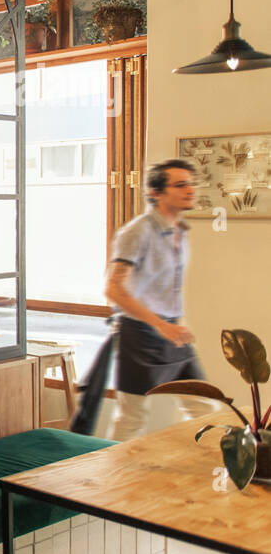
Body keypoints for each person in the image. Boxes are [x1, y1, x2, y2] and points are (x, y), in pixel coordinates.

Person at [103, 159, 213, 440]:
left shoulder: (180, 232)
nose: (190, 190)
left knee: (203, 407)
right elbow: (113, 289)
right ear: (156, 192)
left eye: (190, 183)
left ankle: (210, 471)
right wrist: (161, 325)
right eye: (180, 185)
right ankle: (108, 475)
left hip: (172, 330)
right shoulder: (137, 232)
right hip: (139, 333)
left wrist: (171, 324)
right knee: (132, 417)